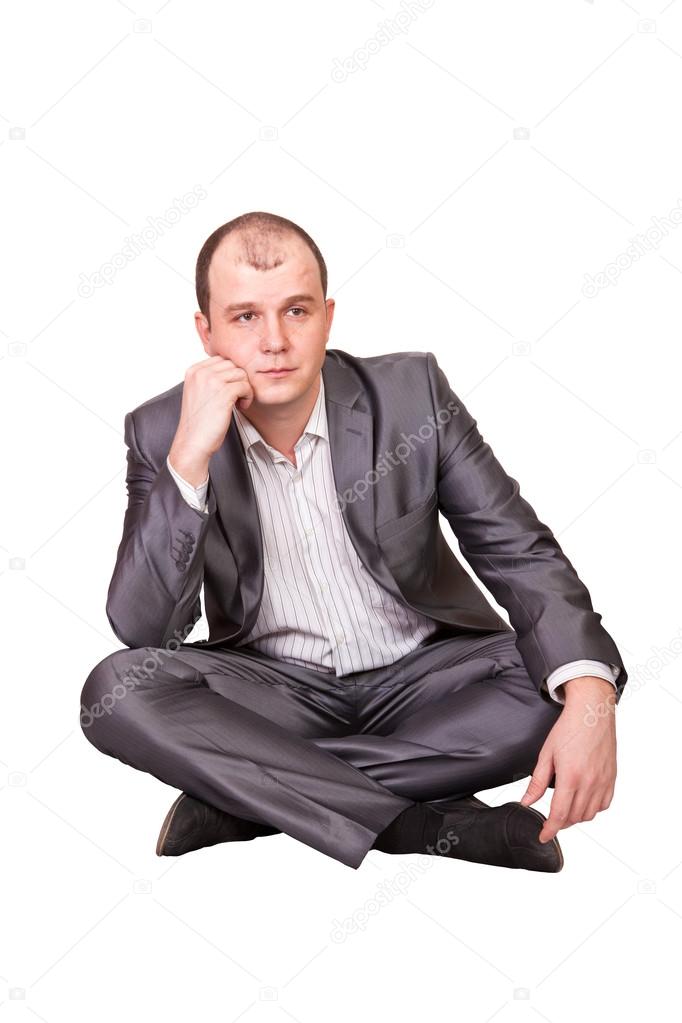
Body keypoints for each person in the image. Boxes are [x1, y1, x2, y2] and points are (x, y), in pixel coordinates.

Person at [80, 211, 627, 872]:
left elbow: (517, 548)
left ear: (328, 317)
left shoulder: (410, 394)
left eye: (297, 310)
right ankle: (417, 823)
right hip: (275, 694)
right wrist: (188, 463)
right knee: (118, 688)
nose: (276, 340)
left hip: (429, 680)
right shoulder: (161, 428)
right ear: (207, 331)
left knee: (553, 680)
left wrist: (591, 698)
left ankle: (249, 796)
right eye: (246, 317)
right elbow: (143, 628)